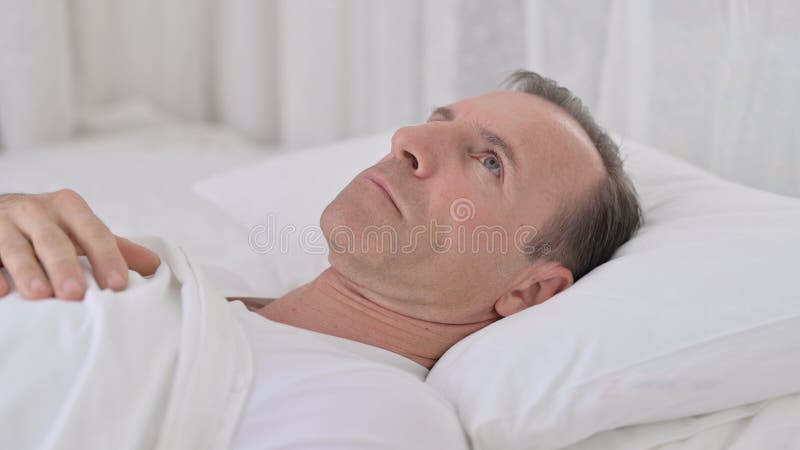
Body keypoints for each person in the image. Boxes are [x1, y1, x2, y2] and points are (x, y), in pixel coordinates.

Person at [0, 70, 641, 368]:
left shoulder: (365, 416)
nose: (407, 140)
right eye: (439, 121)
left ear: (529, 291)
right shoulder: (191, 283)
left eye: (490, 162)